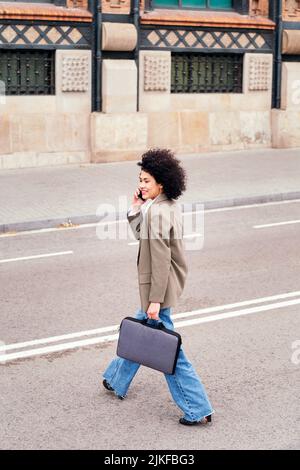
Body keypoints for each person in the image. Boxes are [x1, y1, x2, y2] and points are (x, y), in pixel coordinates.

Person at [102, 148, 214, 425]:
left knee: (167, 350)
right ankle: (115, 379)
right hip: (161, 287)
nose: (141, 185)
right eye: (140, 179)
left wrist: (155, 300)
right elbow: (145, 236)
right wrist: (136, 209)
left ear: (161, 183)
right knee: (141, 333)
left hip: (158, 289)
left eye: (147, 181)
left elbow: (161, 261)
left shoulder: (159, 214)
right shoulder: (163, 207)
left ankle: (196, 407)